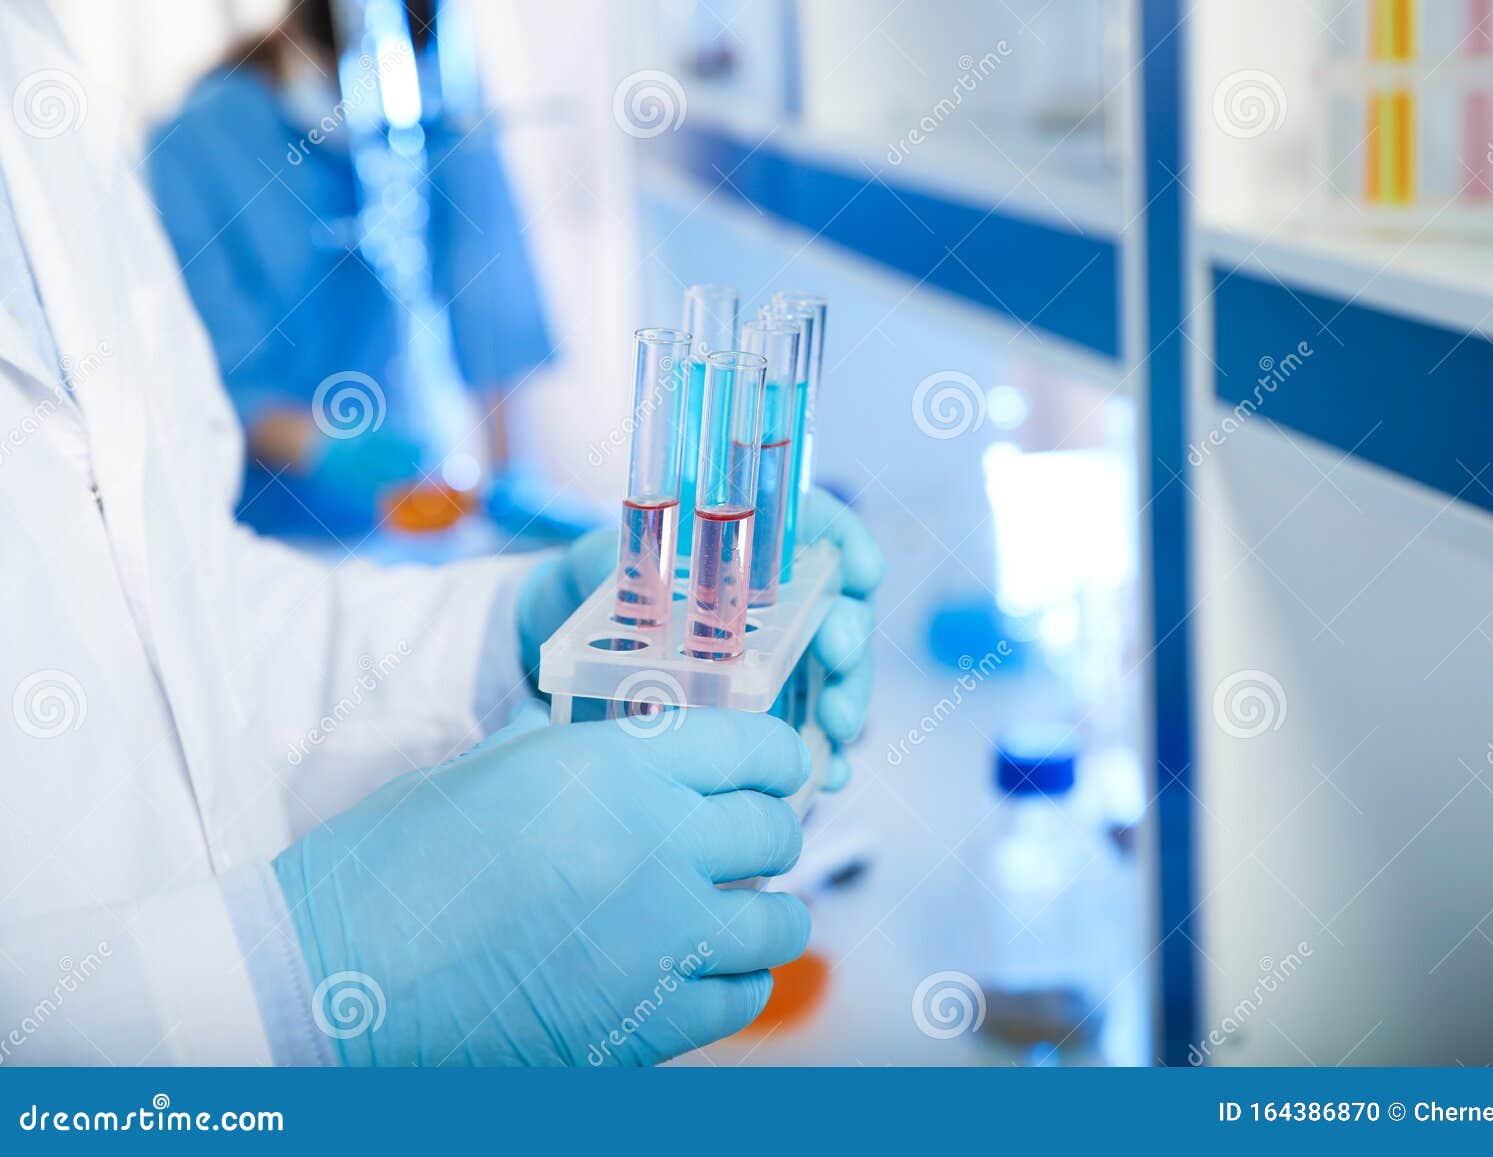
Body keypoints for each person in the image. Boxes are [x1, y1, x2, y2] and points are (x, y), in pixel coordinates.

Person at [0, 0, 881, 1066]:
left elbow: (179, 621)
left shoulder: (33, 80)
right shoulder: (203, 141)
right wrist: (298, 981)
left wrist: (507, 635)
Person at [144, 0, 581, 541]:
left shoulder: (436, 109)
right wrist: (323, 446)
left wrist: (511, 481)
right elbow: (200, 377)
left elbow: (486, 290)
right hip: (266, 523)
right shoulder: (195, 145)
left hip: (400, 515)